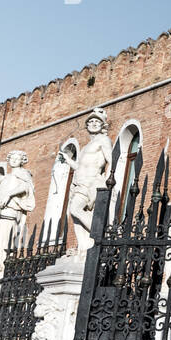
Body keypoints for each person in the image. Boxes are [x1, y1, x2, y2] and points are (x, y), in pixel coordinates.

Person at [68, 109, 114, 255]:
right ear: (87, 126)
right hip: (79, 182)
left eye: (97, 122)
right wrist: (67, 159)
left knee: (75, 209)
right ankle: (84, 247)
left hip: (92, 182)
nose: (94, 124)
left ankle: (99, 233)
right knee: (75, 216)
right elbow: (80, 167)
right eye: (91, 122)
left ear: (102, 125)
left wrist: (109, 179)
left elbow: (111, 160)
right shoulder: (86, 146)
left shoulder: (103, 140)